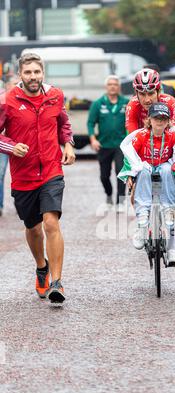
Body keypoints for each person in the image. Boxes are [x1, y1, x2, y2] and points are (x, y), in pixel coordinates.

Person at [0, 52, 75, 303]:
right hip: (23, 176)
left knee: (51, 222)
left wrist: (68, 144)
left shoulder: (55, 95)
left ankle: (57, 282)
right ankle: (41, 266)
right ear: (20, 74)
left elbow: (63, 123)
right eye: (28, 72)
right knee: (33, 228)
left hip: (52, 170)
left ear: (43, 73)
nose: (33, 77)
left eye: (37, 72)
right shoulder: (7, 101)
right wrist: (12, 147)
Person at [120, 103, 175, 267]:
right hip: (146, 174)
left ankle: (172, 248)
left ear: (168, 122)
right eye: (156, 118)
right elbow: (131, 157)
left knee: (166, 169)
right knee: (143, 168)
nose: (160, 121)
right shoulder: (142, 136)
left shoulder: (172, 136)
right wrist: (130, 174)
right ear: (149, 120)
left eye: (163, 118)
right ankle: (143, 221)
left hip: (164, 175)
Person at [87, 75, 129, 212]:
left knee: (121, 172)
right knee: (104, 176)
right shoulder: (98, 104)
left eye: (115, 84)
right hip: (103, 145)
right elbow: (91, 123)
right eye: (110, 84)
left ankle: (121, 202)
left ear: (119, 87)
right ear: (106, 87)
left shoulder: (126, 103)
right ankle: (109, 196)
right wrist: (93, 139)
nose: (112, 87)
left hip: (121, 145)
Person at [126, 68, 175, 134]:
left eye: (151, 93)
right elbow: (132, 137)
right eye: (142, 94)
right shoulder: (132, 105)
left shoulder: (170, 102)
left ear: (159, 92)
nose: (147, 100)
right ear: (136, 93)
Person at [0, 75, 19, 216]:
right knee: (0, 174)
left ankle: (20, 199)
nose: (17, 85)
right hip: (3, 144)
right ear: (6, 86)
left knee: (17, 173)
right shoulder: (2, 101)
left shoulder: (23, 101)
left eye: (19, 83)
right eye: (14, 83)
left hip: (17, 144)